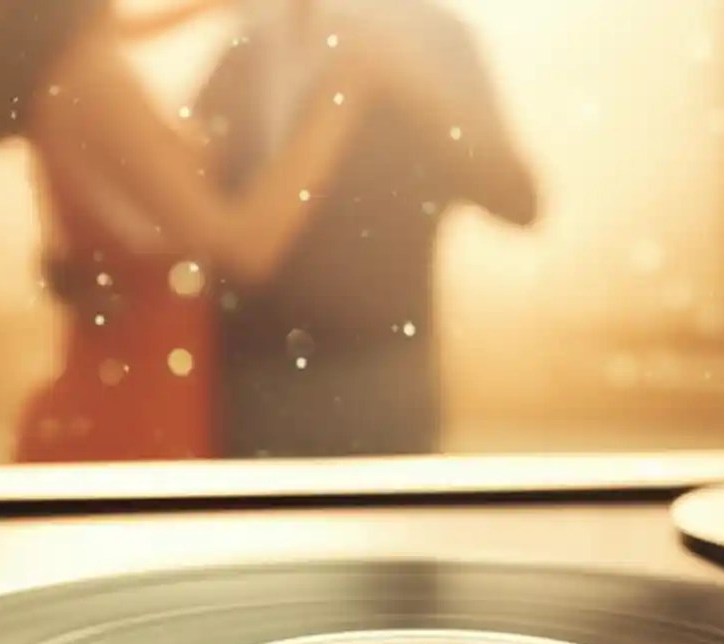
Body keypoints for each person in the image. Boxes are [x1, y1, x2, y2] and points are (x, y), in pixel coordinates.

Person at [0, 0, 379, 461]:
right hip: (133, 402)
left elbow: (138, 26)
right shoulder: (95, 81)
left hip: (130, 379)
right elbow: (244, 250)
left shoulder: (69, 57)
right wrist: (344, 94)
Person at [196, 0, 538, 457]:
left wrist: (411, 83)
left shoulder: (432, 36)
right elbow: (186, 193)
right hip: (249, 378)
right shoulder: (248, 42)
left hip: (379, 374)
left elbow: (517, 201)